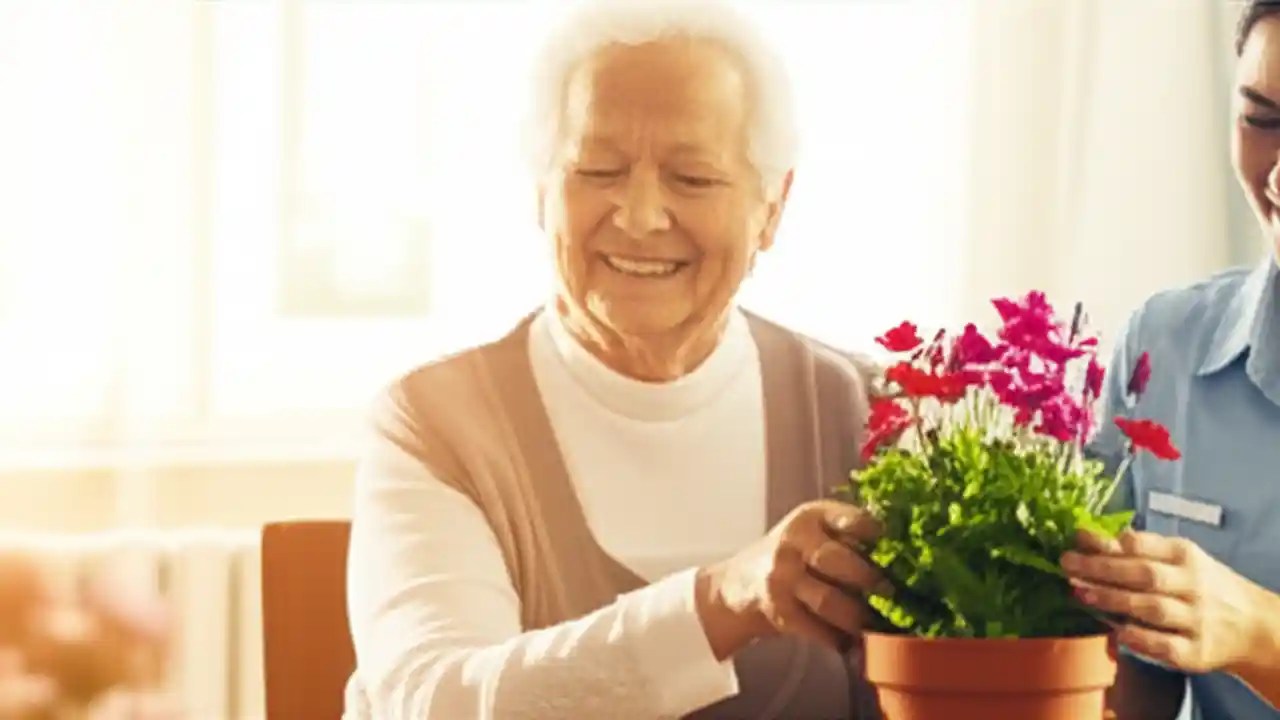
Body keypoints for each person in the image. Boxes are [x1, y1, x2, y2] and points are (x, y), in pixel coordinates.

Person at [341, 1, 890, 718]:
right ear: (543, 191)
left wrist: (1069, 610)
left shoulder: (862, 410)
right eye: (597, 169)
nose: (637, 215)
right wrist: (721, 601)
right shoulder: (436, 427)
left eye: (692, 179)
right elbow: (435, 700)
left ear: (772, 207)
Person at [1062, 1, 1280, 718]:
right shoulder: (1166, 349)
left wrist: (1256, 632)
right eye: (1261, 120)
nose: (1278, 176)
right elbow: (1129, 673)